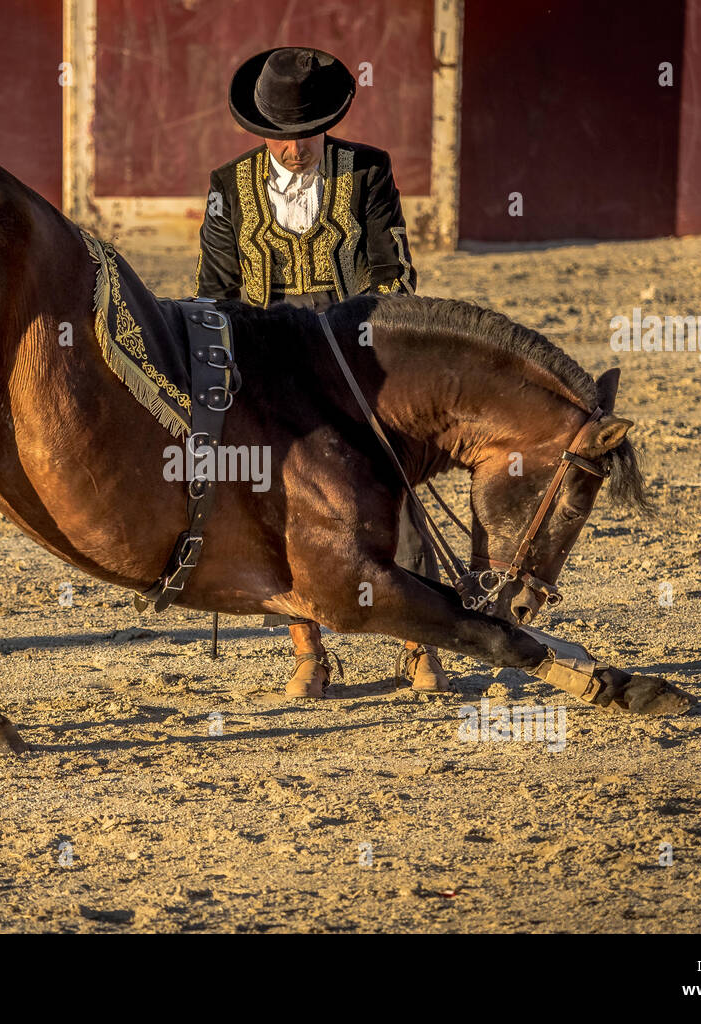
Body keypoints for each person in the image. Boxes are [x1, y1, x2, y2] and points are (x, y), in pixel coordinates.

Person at [195, 46, 454, 699]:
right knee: (277, 502)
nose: (292, 149)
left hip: (350, 355)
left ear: (326, 125)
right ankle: (309, 651)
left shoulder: (367, 171)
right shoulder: (229, 185)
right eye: (278, 137)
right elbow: (215, 290)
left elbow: (395, 272)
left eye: (304, 135)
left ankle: (420, 641)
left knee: (393, 485)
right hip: (268, 364)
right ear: (258, 133)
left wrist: (359, 332)